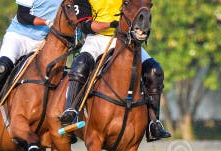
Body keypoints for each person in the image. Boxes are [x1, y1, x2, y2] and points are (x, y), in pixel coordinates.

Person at [57, 0, 171, 142]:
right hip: (97, 39)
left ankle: (154, 123)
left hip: (124, 39)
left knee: (155, 70)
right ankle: (71, 111)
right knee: (81, 63)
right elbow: (85, 26)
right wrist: (111, 24)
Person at [0, 0, 60, 133]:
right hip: (18, 37)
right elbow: (22, 16)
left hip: (44, 42)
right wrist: (47, 22)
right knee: (1, 68)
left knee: (59, 74)